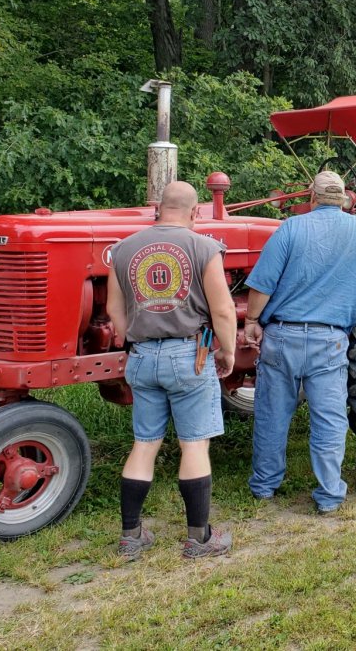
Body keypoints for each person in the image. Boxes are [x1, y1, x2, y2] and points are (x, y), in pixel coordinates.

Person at [244, 170, 356, 513]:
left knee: (272, 414)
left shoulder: (290, 228)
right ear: (343, 200)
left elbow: (262, 284)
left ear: (311, 198)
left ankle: (265, 486)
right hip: (329, 340)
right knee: (329, 419)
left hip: (282, 335)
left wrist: (252, 321)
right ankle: (329, 494)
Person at [106, 180, 238, 559]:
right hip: (188, 356)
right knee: (193, 444)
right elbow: (224, 309)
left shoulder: (124, 249)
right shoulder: (204, 247)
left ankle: (131, 537)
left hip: (142, 358)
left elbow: (115, 312)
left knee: (144, 445)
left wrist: (132, 339)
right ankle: (199, 539)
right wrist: (226, 352)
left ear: (158, 209)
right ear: (196, 212)